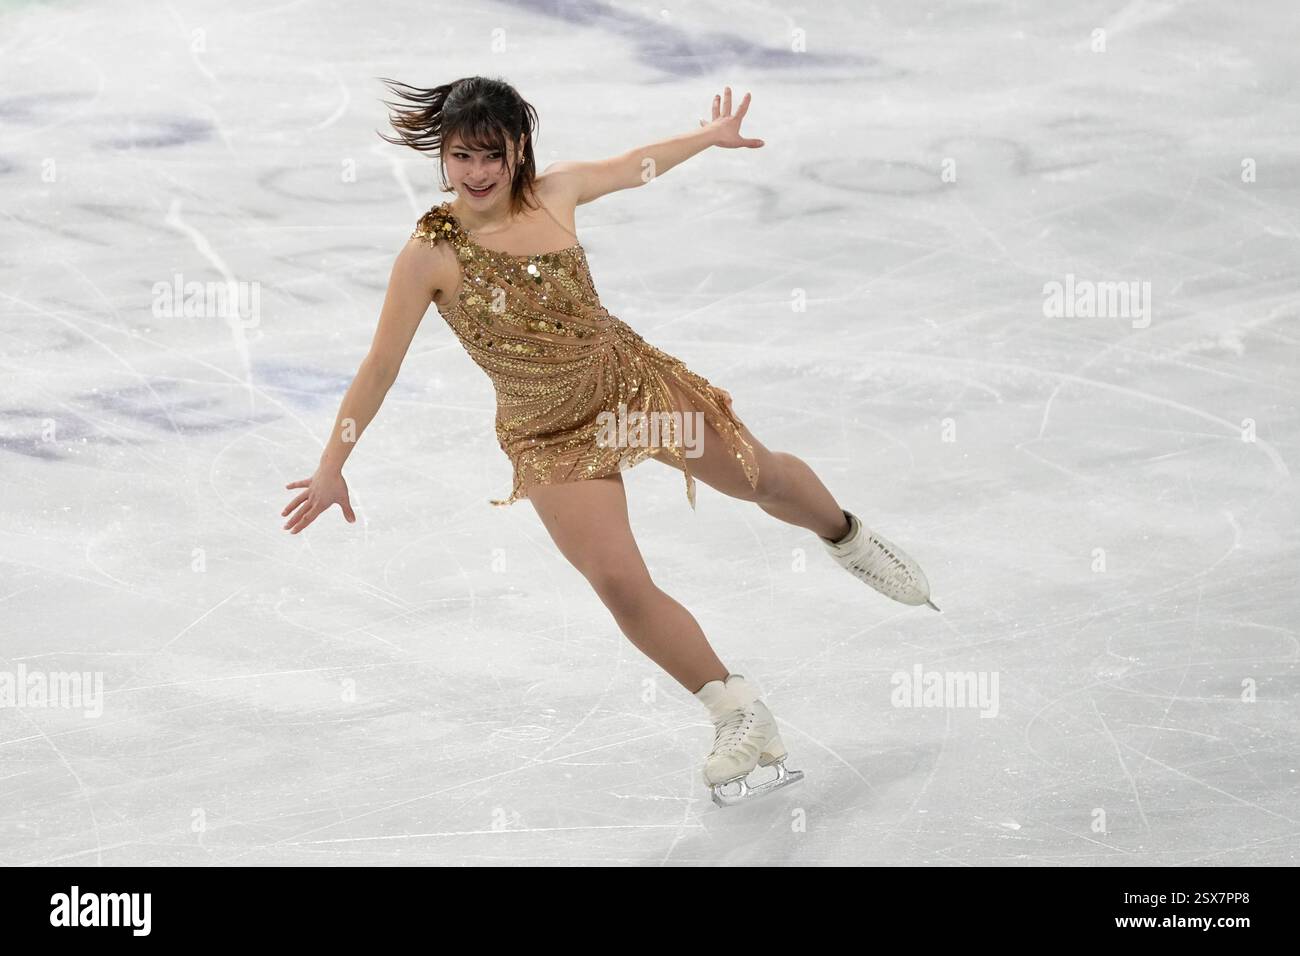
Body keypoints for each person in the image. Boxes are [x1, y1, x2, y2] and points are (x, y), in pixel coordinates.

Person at [279, 75, 938, 807]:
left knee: (761, 480)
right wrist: (331, 465)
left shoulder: (556, 192)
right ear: (443, 156)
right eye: (461, 156)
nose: (475, 172)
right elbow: (380, 366)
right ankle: (735, 709)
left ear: (518, 149)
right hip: (548, 434)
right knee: (619, 583)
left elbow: (636, 166)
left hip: (630, 394)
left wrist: (707, 138)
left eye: (490, 155)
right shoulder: (430, 256)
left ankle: (845, 536)